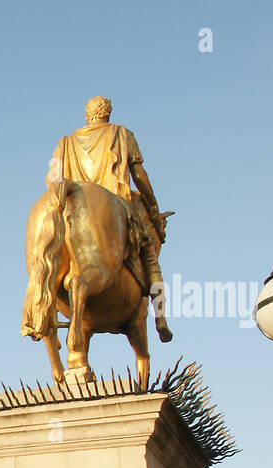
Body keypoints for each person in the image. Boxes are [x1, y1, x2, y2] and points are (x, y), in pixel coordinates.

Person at [48, 96, 172, 339]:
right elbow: (138, 174)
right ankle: (160, 319)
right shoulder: (122, 134)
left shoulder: (66, 143)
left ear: (88, 115)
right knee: (149, 257)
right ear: (108, 113)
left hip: (70, 207)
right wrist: (153, 208)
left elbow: (54, 180)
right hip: (117, 203)